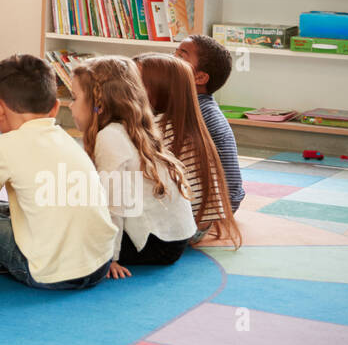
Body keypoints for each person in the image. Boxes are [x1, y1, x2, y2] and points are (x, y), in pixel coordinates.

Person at [0, 55, 114, 290]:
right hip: (100, 264)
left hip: (49, 273)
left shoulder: (5, 145)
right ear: (55, 107)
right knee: (24, 206)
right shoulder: (67, 139)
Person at [70, 56, 196, 278]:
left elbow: (114, 205)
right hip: (173, 236)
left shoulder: (110, 137)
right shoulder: (129, 128)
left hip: (155, 243)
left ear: (98, 104)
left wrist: (110, 257)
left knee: (66, 235)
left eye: (74, 98)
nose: (70, 105)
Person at [134, 53, 242, 247]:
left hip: (176, 230)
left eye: (133, 83)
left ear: (159, 90)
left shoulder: (156, 130)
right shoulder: (186, 121)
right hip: (198, 225)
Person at [174, 34, 245, 212]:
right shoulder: (191, 105)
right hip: (220, 205)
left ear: (199, 78)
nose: (170, 60)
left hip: (213, 210)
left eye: (180, 57)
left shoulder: (197, 112)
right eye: (173, 53)